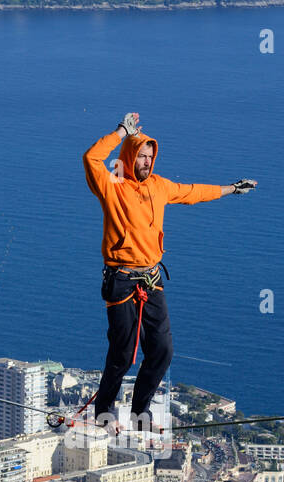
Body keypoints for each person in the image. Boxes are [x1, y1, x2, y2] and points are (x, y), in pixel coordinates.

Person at [81, 112, 256, 434]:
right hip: (120, 279)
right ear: (130, 157)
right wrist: (121, 132)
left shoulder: (159, 186)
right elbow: (91, 157)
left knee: (162, 350)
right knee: (122, 353)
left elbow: (191, 192)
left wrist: (231, 189)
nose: (147, 162)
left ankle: (140, 413)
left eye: (150, 156)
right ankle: (104, 413)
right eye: (142, 156)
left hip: (150, 277)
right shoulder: (111, 185)